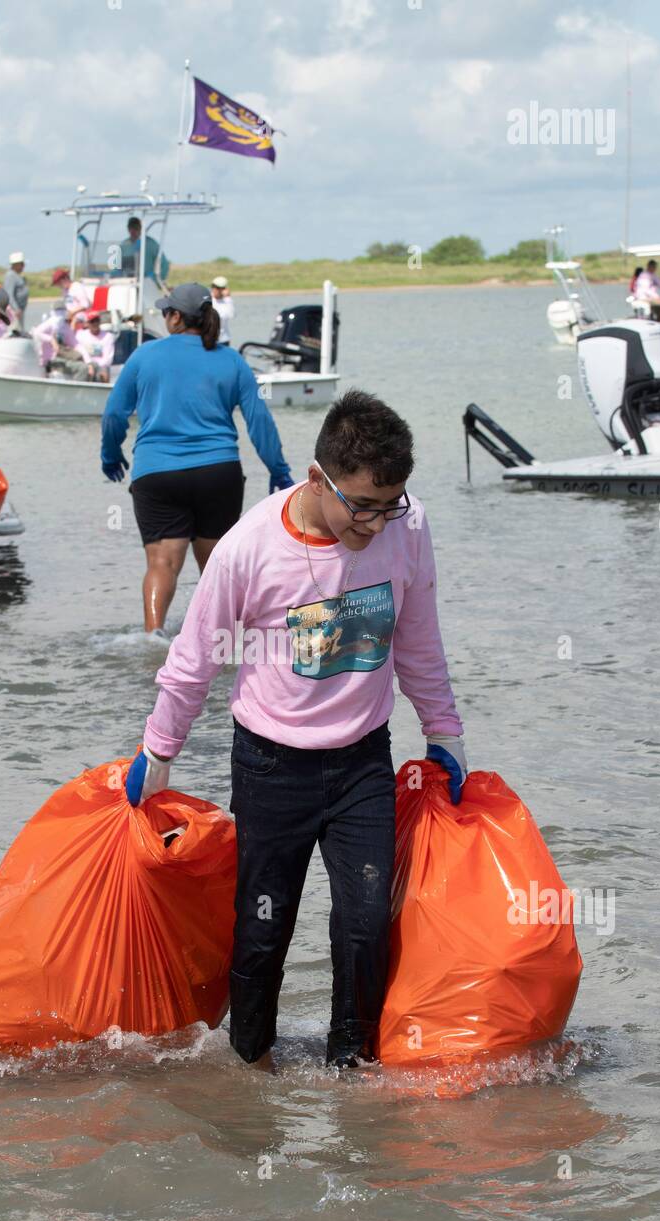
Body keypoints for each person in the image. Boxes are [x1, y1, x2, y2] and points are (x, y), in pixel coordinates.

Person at [123, 389, 466, 1069]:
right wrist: (159, 749)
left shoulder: (408, 524)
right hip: (271, 766)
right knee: (261, 931)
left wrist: (444, 734)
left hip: (363, 762)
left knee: (367, 924)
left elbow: (419, 637)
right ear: (317, 480)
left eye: (390, 503)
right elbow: (196, 658)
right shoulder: (248, 550)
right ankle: (251, 1065)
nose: (376, 523)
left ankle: (351, 1069)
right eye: (362, 506)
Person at [101, 282, 293, 636]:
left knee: (162, 563)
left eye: (165, 312)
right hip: (217, 474)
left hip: (157, 476)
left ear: (175, 317)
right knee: (218, 567)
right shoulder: (231, 360)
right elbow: (260, 422)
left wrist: (110, 454)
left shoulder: (144, 356)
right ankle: (229, 645)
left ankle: (153, 642)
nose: (163, 318)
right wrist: (278, 471)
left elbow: (114, 414)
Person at [32, 299, 88, 377]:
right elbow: (36, 332)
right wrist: (51, 340)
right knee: (82, 368)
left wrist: (88, 360)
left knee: (85, 365)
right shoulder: (49, 323)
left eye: (62, 310)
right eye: (58, 310)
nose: (60, 313)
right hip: (48, 361)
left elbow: (76, 344)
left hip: (61, 358)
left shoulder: (66, 327)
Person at [118, 217, 169, 286]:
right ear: (128, 229)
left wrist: (153, 279)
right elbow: (116, 269)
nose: (133, 231)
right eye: (131, 228)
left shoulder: (151, 244)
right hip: (127, 284)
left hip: (147, 285)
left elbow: (164, 265)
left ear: (141, 228)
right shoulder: (123, 245)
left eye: (136, 228)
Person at [76, 309, 114, 381]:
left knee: (103, 375)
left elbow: (108, 357)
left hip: (101, 366)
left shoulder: (108, 336)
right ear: (87, 323)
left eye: (97, 321)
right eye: (92, 321)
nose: (95, 323)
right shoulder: (80, 335)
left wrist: (100, 368)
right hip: (86, 365)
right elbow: (81, 352)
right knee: (84, 371)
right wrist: (89, 364)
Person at [3, 252, 29, 332]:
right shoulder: (10, 276)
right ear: (15, 265)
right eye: (22, 264)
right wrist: (16, 309)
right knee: (14, 331)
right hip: (14, 312)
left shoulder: (17, 275)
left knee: (20, 330)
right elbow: (9, 294)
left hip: (19, 311)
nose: (23, 266)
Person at [211, 275, 234, 344]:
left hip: (224, 339)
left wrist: (228, 298)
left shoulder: (227, 301)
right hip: (210, 338)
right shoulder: (209, 299)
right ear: (213, 288)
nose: (219, 290)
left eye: (222, 288)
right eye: (217, 288)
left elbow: (231, 315)